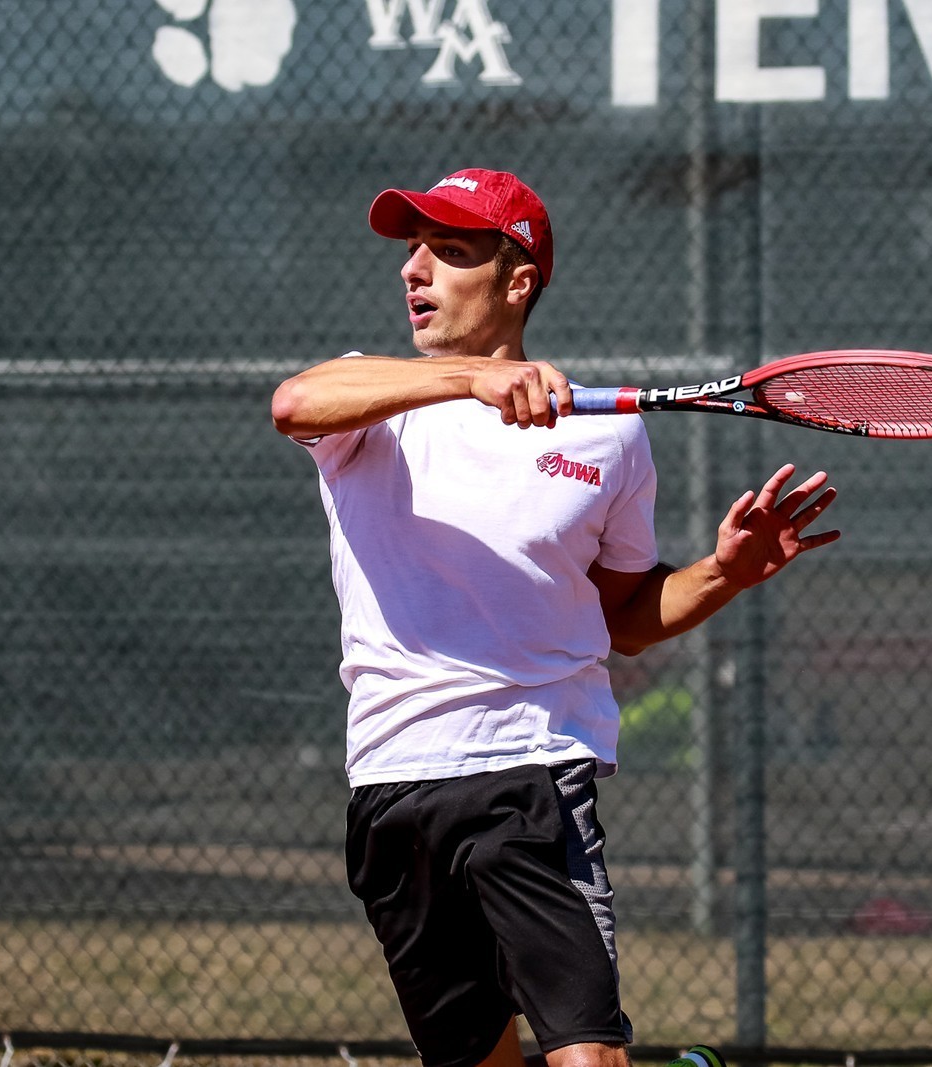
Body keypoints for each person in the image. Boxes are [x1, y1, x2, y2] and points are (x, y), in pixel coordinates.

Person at [270, 169, 838, 1067]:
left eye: (449, 251)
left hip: (531, 773)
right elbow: (292, 403)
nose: (414, 270)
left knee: (588, 1056)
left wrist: (724, 573)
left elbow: (626, 618)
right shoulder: (368, 404)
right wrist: (470, 382)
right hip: (390, 785)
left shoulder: (607, 436)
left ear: (517, 278)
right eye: (411, 250)